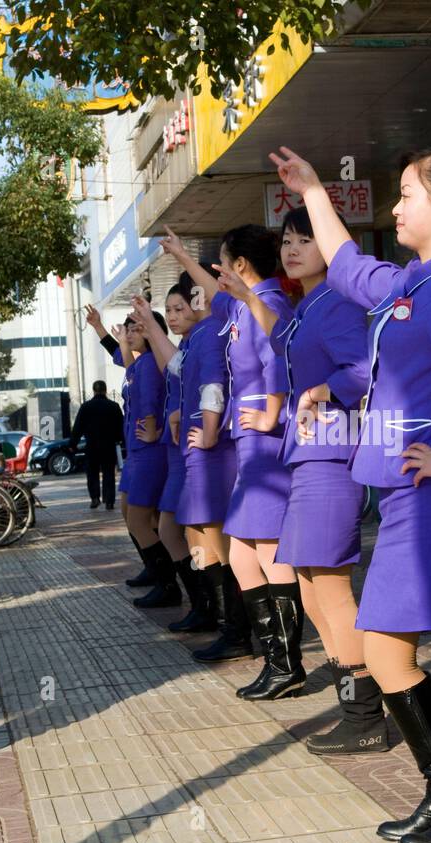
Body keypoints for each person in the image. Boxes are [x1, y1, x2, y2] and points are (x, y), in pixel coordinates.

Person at [269, 140, 431, 843]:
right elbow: (345, 264)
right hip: (408, 495)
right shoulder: (411, 283)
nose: (396, 206)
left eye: (407, 195)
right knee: (391, 647)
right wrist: (314, 186)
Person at [269, 206, 386, 753]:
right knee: (313, 593)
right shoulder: (304, 306)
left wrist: (319, 392)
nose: (292, 248)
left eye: (305, 239)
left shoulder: (337, 302)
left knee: (333, 591)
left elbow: (363, 370)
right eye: (287, 240)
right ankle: (356, 705)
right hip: (306, 457)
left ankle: (366, 717)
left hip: (333, 454)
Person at [175, 225, 307, 696]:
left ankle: (288, 665)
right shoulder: (241, 303)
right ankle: (275, 658)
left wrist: (271, 411)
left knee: (268, 553)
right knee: (243, 554)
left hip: (265, 442)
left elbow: (280, 358)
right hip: (249, 443)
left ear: (242, 266)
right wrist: (184, 257)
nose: (220, 274)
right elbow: (218, 294)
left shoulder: (267, 303)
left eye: (225, 262)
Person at [156, 231, 252, 659]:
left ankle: (237, 631)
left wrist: (210, 430)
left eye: (188, 299)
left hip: (212, 448)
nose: (183, 309)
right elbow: (178, 372)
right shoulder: (199, 336)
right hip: (197, 446)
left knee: (218, 540)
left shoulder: (214, 329)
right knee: (200, 535)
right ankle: (221, 619)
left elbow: (214, 383)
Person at [133, 276, 215, 633]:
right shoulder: (186, 346)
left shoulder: (204, 341)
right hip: (177, 449)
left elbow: (203, 385)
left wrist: (150, 325)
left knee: (194, 534)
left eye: (179, 308)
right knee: (178, 531)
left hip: (197, 449)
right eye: (168, 310)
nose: (175, 315)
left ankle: (212, 609)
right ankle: (203, 604)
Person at [95, 305, 178, 609]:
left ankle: (167, 583)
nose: (128, 332)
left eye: (135, 328)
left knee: (140, 519)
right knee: (135, 515)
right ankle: (157, 572)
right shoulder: (138, 363)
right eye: (128, 328)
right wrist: (100, 329)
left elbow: (150, 400)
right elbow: (123, 360)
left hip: (150, 451)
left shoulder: (150, 365)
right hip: (137, 451)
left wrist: (154, 430)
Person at [68, 379, 123, 509]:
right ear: (105, 390)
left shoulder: (86, 407)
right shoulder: (113, 406)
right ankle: (109, 501)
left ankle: (94, 498)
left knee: (92, 473)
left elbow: (78, 427)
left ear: (94, 390)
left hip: (92, 446)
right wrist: (120, 440)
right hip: (109, 446)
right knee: (108, 473)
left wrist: (73, 444)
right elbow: (121, 426)